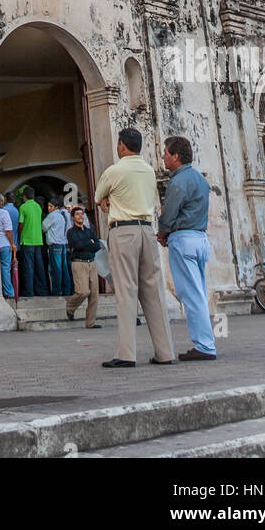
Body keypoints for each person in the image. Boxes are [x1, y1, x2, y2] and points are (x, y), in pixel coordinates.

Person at [95, 127, 175, 369]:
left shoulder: (114, 170)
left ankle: (127, 353)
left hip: (124, 231)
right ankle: (165, 352)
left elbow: (99, 196)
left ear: (121, 146)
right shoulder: (149, 170)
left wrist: (107, 199)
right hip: (147, 230)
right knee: (153, 291)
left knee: (126, 291)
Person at [157, 136, 216, 362]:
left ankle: (205, 345)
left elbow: (169, 213)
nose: (163, 156)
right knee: (198, 292)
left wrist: (162, 234)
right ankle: (206, 341)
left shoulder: (178, 181)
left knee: (190, 295)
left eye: (165, 152)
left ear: (176, 156)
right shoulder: (199, 179)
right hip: (199, 237)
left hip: (184, 239)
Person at [65, 204, 102, 328]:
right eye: (77, 214)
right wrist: (88, 243)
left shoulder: (89, 230)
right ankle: (70, 306)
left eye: (82, 214)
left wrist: (87, 244)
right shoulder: (70, 232)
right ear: (73, 217)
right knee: (83, 291)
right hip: (78, 263)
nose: (81, 216)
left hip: (91, 263)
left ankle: (90, 323)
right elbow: (77, 244)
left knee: (94, 295)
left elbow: (97, 245)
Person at [18, 187, 48, 296]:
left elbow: (21, 224)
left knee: (28, 267)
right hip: (38, 241)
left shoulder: (23, 207)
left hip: (27, 241)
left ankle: (29, 291)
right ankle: (42, 291)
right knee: (39, 268)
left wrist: (20, 235)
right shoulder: (38, 207)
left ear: (24, 196)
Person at [42, 199, 69, 296]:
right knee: (64, 268)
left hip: (55, 245)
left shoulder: (52, 215)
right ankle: (66, 290)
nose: (49, 208)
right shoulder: (62, 216)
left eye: (51, 206)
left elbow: (43, 227)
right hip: (63, 245)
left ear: (56, 207)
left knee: (56, 269)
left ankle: (57, 291)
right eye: (48, 206)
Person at [0, 194, 17, 298]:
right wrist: (12, 244)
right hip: (4, 243)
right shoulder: (4, 213)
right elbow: (8, 231)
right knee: (5, 268)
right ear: (2, 202)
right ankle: (8, 292)